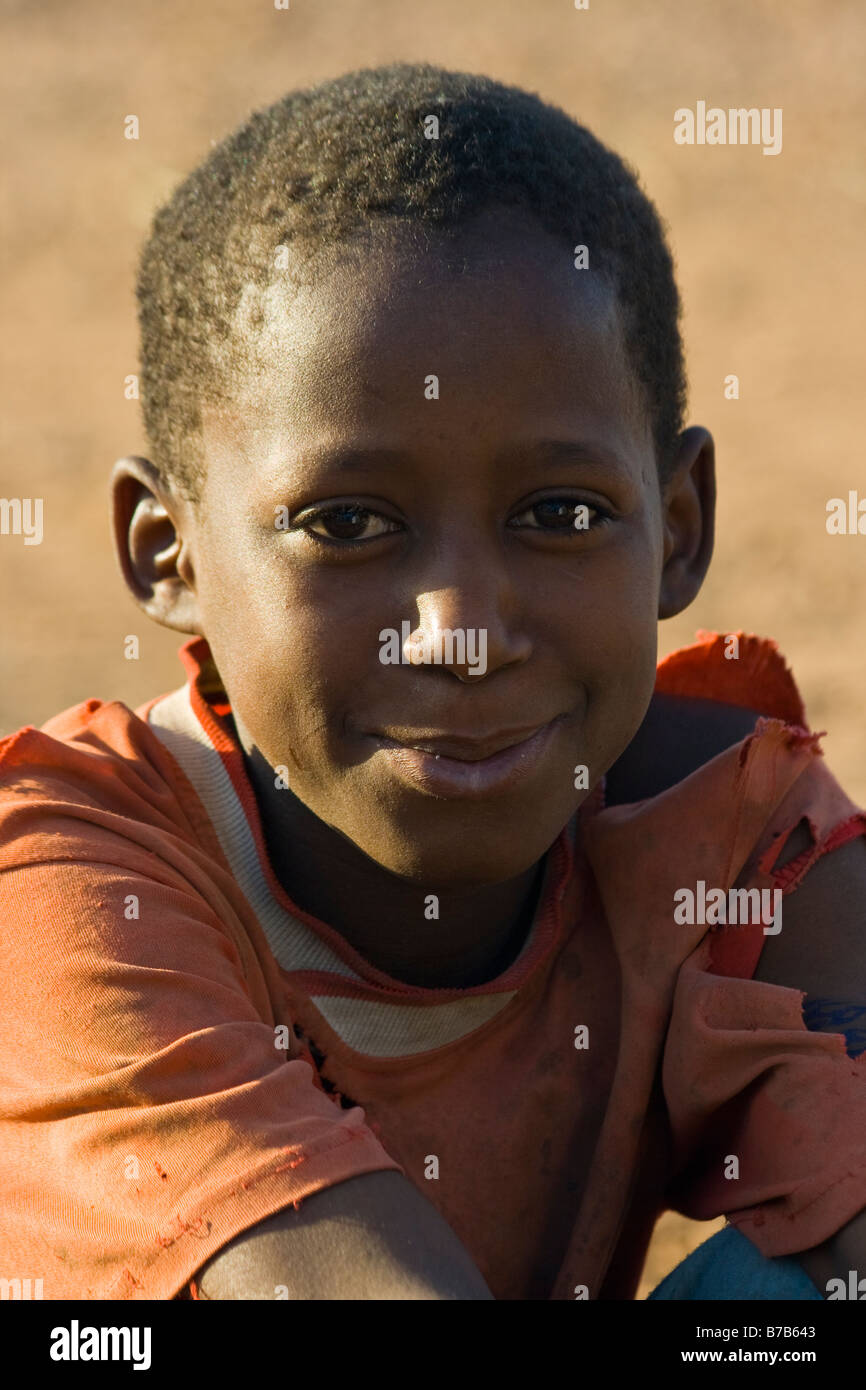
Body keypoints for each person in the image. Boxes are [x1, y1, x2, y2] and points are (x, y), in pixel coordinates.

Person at [1, 62, 864, 1302]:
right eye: (347, 524)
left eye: (558, 512)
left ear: (676, 529)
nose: (461, 632)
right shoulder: (63, 893)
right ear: (168, 551)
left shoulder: (723, 836)